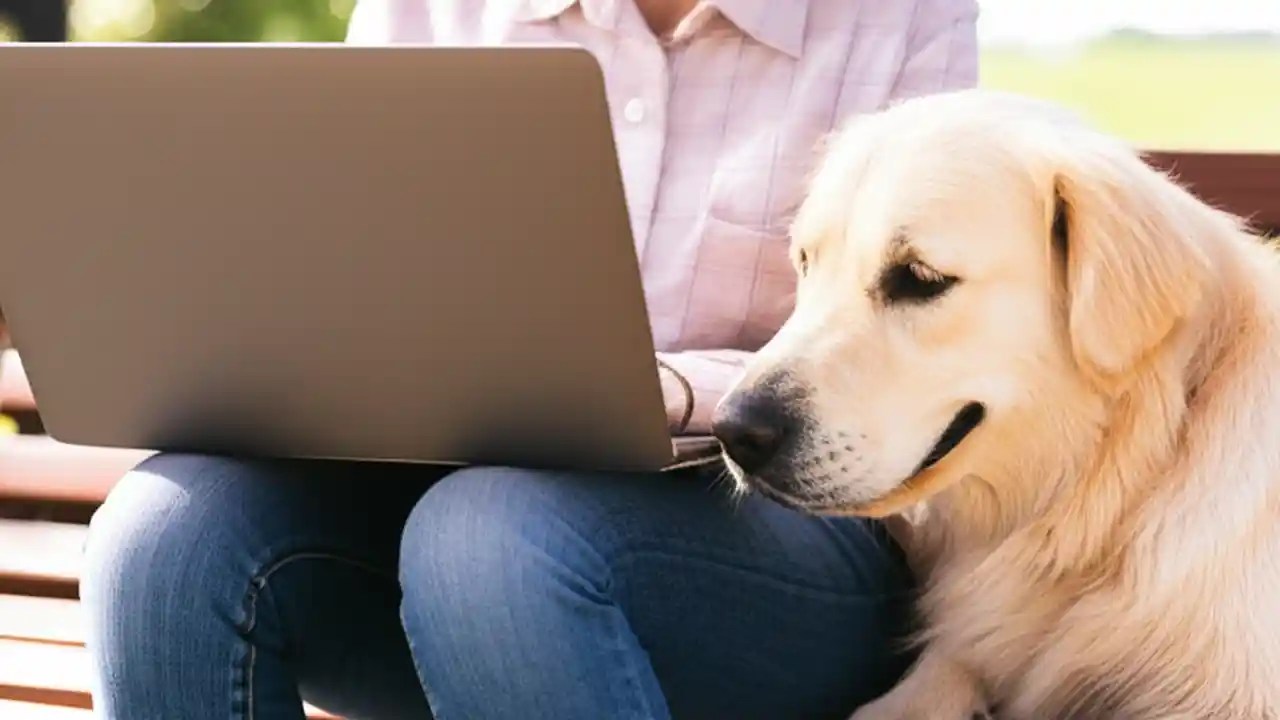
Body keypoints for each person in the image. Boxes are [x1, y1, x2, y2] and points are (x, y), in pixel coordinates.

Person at [82, 1, 978, 718]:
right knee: (163, 539)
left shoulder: (896, 19)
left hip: (783, 553)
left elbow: (913, 324)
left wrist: (657, 390)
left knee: (488, 536)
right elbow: (349, 267)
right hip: (447, 570)